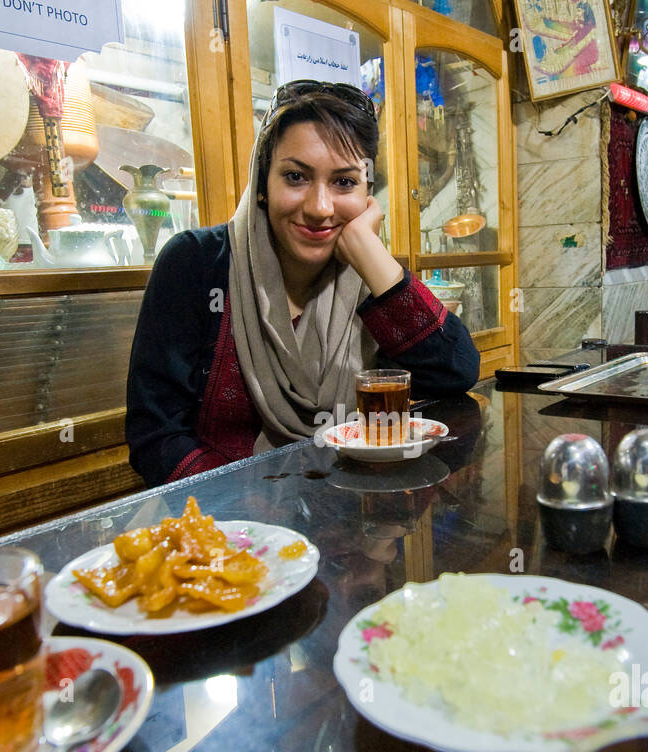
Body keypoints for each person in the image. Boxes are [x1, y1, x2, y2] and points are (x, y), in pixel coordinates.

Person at [126, 80, 481, 487]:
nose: (320, 208)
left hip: (353, 512)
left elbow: (455, 375)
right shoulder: (196, 263)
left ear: (368, 192)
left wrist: (371, 254)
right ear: (262, 183)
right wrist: (258, 512)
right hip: (234, 531)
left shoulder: (371, 275)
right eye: (295, 176)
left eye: (345, 182)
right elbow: (155, 436)